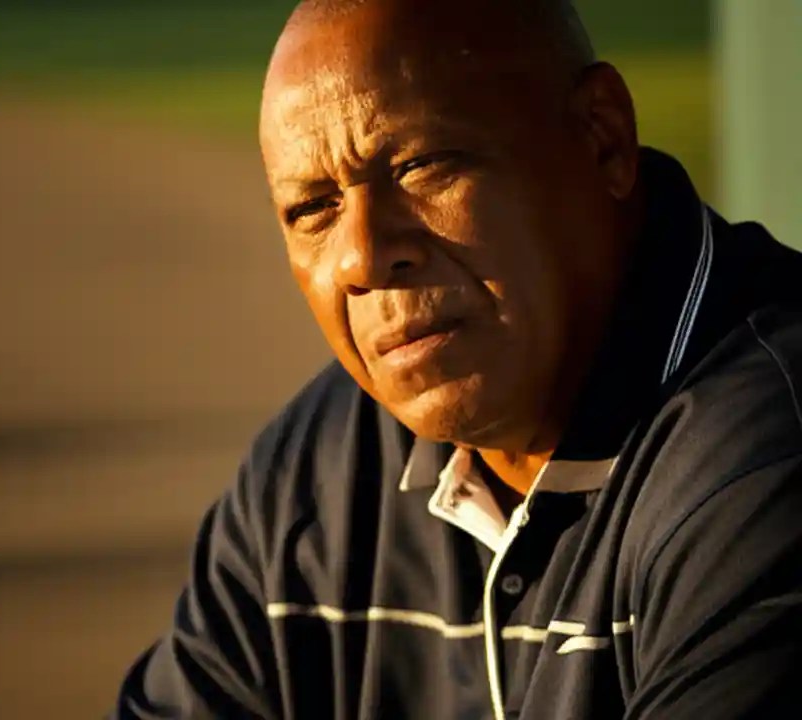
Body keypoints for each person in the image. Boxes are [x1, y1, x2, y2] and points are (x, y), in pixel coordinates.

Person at [112, 0, 802, 718]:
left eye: (421, 165)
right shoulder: (313, 480)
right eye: (312, 209)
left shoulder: (769, 449)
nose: (362, 257)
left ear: (602, 138)